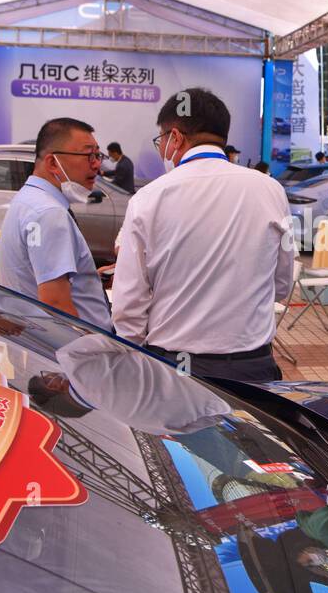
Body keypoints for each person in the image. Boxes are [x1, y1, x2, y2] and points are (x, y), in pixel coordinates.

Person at [110, 87, 294, 381]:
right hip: (253, 366)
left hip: (174, 368)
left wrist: (134, 359)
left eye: (161, 140)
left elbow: (129, 304)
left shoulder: (148, 198)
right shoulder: (270, 190)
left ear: (175, 137)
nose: (161, 149)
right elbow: (282, 284)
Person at [0, 117, 113, 331]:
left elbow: (38, 274)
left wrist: (87, 279)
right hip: (75, 349)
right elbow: (56, 304)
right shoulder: (49, 213)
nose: (97, 164)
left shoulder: (29, 200)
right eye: (89, 155)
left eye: (98, 155)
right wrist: (88, 347)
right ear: (52, 163)